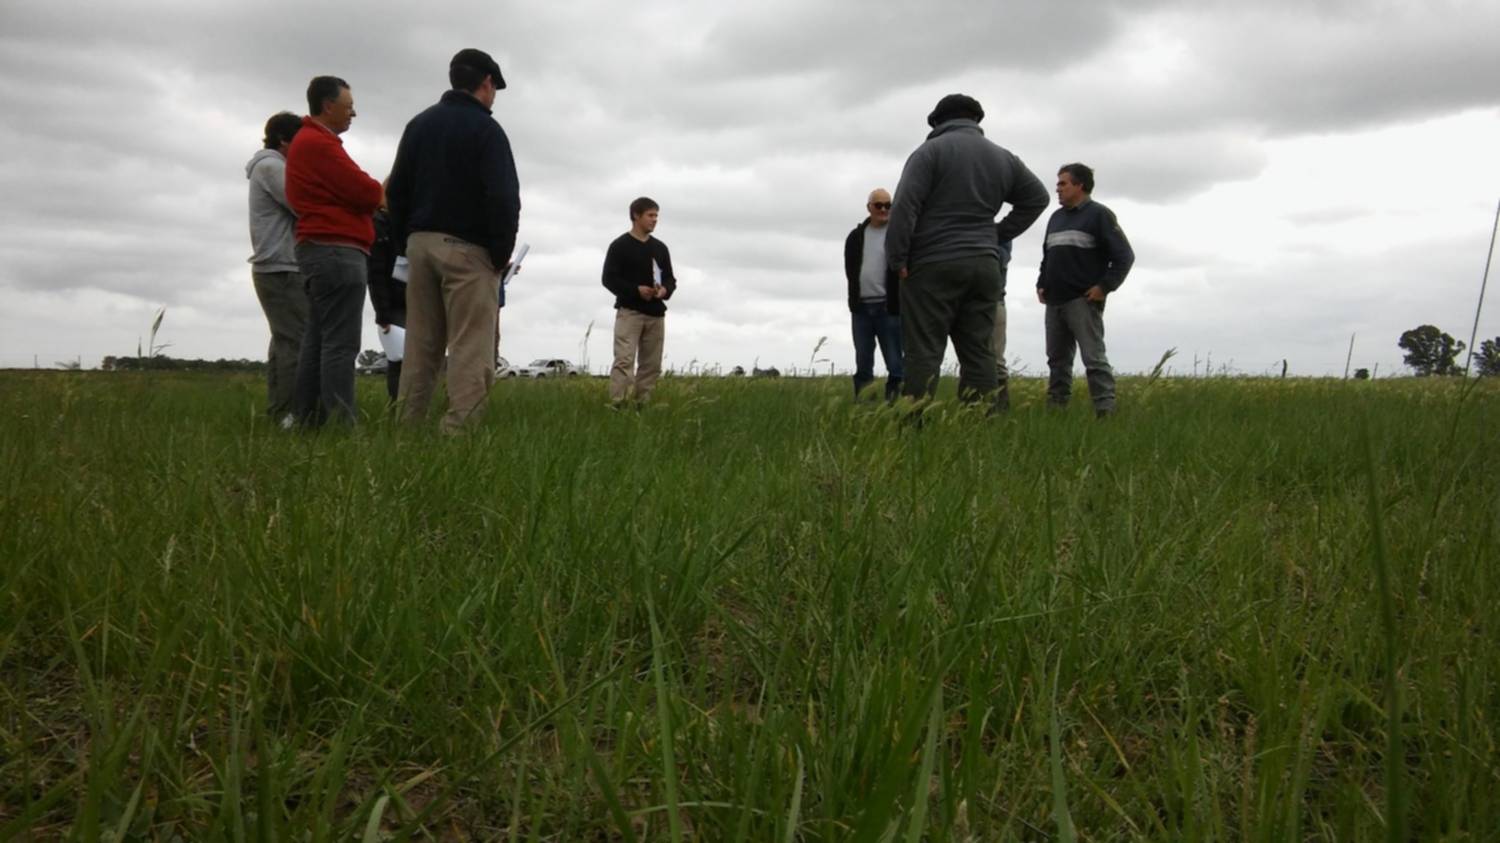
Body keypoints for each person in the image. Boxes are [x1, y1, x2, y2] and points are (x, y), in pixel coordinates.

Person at [387, 48, 521, 433]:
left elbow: (396, 192)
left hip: (419, 245)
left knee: (421, 347)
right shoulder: (486, 130)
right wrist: (500, 253)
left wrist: (405, 243)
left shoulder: (419, 125)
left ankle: (407, 431)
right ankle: (457, 435)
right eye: (494, 88)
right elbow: (503, 196)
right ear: (486, 83)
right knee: (470, 346)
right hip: (468, 251)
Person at [886, 93, 1048, 406]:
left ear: (938, 121)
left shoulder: (929, 152)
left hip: (932, 264)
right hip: (984, 266)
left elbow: (905, 207)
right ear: (976, 121)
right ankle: (978, 428)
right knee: (979, 353)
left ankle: (912, 429)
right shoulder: (1003, 158)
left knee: (923, 352)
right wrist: (996, 235)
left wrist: (898, 258)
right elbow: (1037, 198)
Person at [284, 75, 383, 427]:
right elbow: (367, 193)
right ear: (328, 106)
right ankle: (342, 425)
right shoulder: (320, 144)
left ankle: (306, 419)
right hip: (337, 251)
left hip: (318, 251)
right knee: (340, 344)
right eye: (349, 107)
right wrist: (377, 191)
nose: (353, 114)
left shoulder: (307, 141)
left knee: (317, 340)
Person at [1036, 162, 1135, 416]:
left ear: (1079, 185)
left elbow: (1124, 256)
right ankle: (1056, 412)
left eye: (1063, 183)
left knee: (1094, 359)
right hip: (1054, 301)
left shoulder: (1099, 215)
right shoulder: (1055, 218)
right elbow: (1048, 255)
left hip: (1082, 301)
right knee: (1057, 361)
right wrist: (1041, 283)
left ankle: (1105, 412)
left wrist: (1104, 287)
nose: (1057, 188)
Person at [245, 111, 306, 426]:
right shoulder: (272, 167)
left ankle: (280, 410)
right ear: (284, 140)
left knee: (284, 341)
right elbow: (303, 203)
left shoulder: (270, 166)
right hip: (281, 268)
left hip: (278, 267)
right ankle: (289, 415)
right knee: (296, 341)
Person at [602, 197, 676, 406]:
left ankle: (642, 404)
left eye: (656, 216)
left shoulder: (660, 248)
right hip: (630, 312)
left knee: (651, 364)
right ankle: (619, 404)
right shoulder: (619, 246)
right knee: (624, 360)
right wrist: (636, 290)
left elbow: (670, 278)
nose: (655, 220)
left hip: (655, 313)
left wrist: (664, 291)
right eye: (650, 215)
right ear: (636, 215)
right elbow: (608, 279)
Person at [843, 188, 903, 401]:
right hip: (862, 310)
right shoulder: (855, 237)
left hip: (890, 309)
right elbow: (850, 271)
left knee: (896, 364)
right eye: (879, 205)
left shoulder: (898, 234)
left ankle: (896, 410)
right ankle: (864, 411)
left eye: (888, 205)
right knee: (863, 364)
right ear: (869, 207)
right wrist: (854, 302)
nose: (884, 209)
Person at [366, 205, 405, 402]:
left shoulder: (410, 223)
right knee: (398, 359)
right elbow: (376, 273)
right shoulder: (380, 225)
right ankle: (398, 409)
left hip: (416, 299)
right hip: (395, 303)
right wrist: (382, 312)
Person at [993, 239, 1013, 411]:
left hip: (994, 302)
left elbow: (1001, 260)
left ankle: (1002, 406)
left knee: (996, 359)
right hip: (969, 304)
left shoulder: (1000, 236)